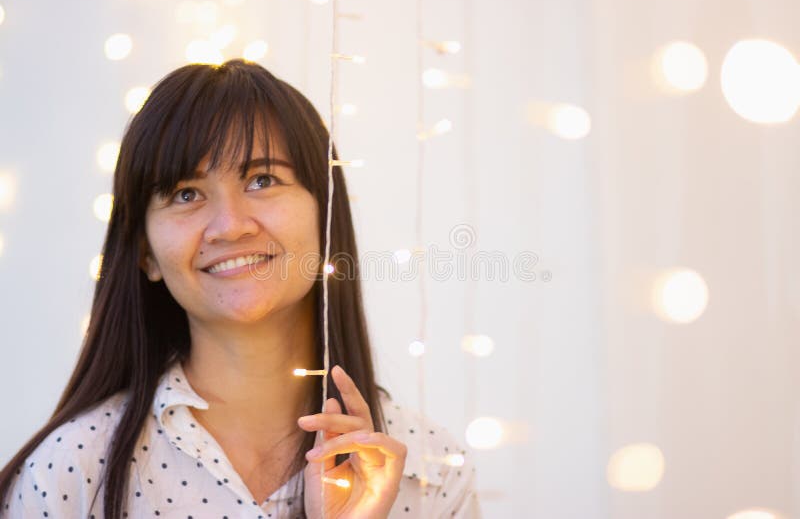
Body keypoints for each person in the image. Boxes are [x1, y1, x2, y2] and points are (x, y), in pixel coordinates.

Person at [0, 59, 481, 518]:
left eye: (262, 179)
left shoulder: (429, 471)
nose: (229, 227)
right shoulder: (71, 471)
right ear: (146, 253)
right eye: (186, 194)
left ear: (326, 215)